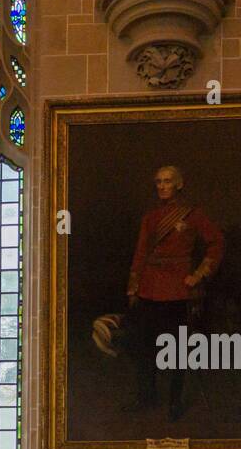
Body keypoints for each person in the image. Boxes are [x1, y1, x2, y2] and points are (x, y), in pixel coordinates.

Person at [92, 165, 225, 420]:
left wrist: (198, 274)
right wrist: (134, 287)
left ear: (179, 184)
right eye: (158, 182)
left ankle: (175, 402)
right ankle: (147, 397)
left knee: (176, 349)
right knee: (144, 347)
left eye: (167, 181)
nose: (162, 186)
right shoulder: (150, 218)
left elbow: (216, 243)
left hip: (178, 290)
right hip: (149, 288)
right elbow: (140, 253)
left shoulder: (193, 215)